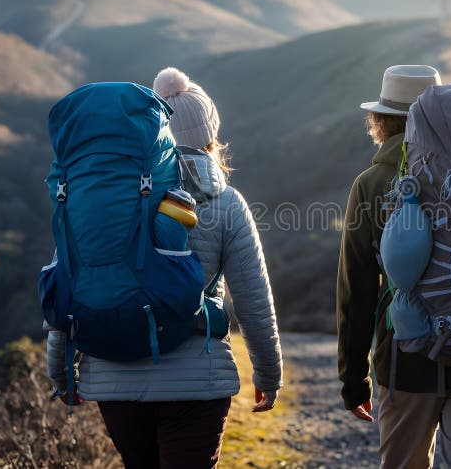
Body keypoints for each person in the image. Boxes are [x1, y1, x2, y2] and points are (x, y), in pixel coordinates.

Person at [46, 67, 282, 469]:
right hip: (197, 382)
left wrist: (62, 373)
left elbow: (72, 281)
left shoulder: (102, 197)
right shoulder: (225, 202)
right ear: (210, 136)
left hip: (113, 377)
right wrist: (268, 374)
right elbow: (253, 299)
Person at [337, 65, 451, 469]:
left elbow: (357, 288)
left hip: (407, 360)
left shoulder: (373, 182)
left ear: (380, 121)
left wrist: (353, 380)